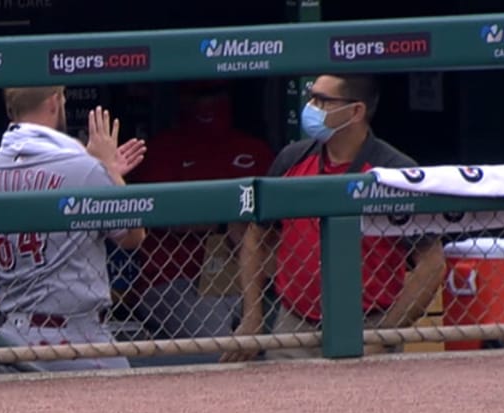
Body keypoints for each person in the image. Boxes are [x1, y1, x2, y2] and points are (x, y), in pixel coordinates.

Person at [220, 74, 446, 363]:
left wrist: (385, 334)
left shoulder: (393, 171)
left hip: (369, 322)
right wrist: (252, 316)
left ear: (356, 111)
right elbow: (256, 235)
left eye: (323, 100)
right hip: (294, 323)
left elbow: (432, 264)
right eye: (311, 97)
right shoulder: (293, 159)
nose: (311, 107)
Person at [0, 87, 147, 372]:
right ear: (53, 101)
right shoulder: (84, 169)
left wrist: (98, 168)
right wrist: (109, 171)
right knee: (126, 409)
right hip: (77, 338)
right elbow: (133, 237)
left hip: (13, 335)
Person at [129, 82, 274, 348]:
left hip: (248, 273)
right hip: (177, 277)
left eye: (213, 94)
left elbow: (278, 218)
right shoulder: (162, 150)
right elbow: (156, 214)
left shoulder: (255, 149)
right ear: (180, 100)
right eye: (196, 95)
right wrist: (221, 222)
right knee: (217, 341)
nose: (205, 104)